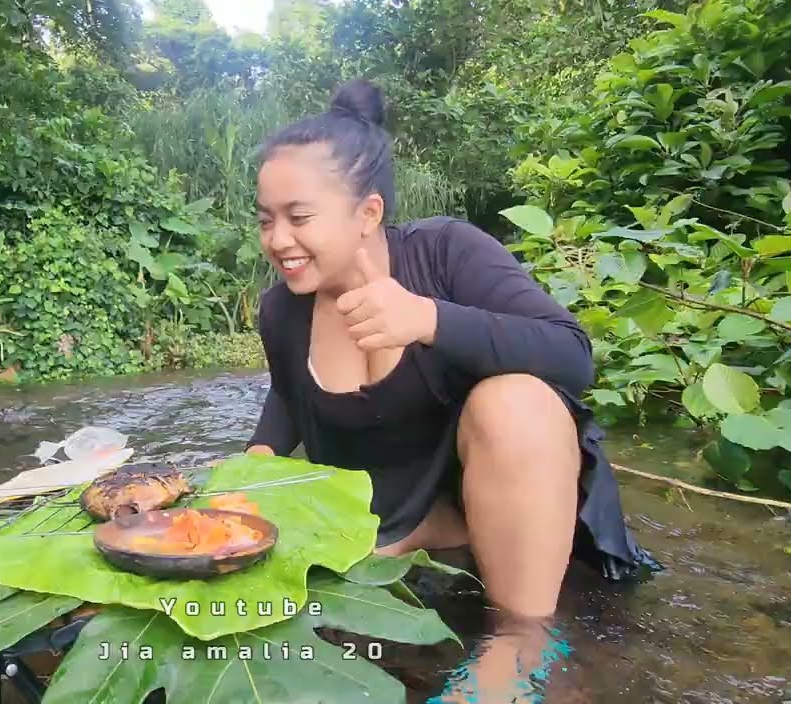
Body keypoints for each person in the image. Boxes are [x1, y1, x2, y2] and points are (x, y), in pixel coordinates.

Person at [242, 79, 655, 703]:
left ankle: (523, 637)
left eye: (299, 218)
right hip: (385, 525)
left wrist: (428, 320)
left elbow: (570, 354)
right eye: (266, 220)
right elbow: (286, 396)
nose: (277, 241)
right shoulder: (282, 310)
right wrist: (257, 462)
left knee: (516, 399)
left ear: (368, 213)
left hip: (492, 502)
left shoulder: (446, 253)